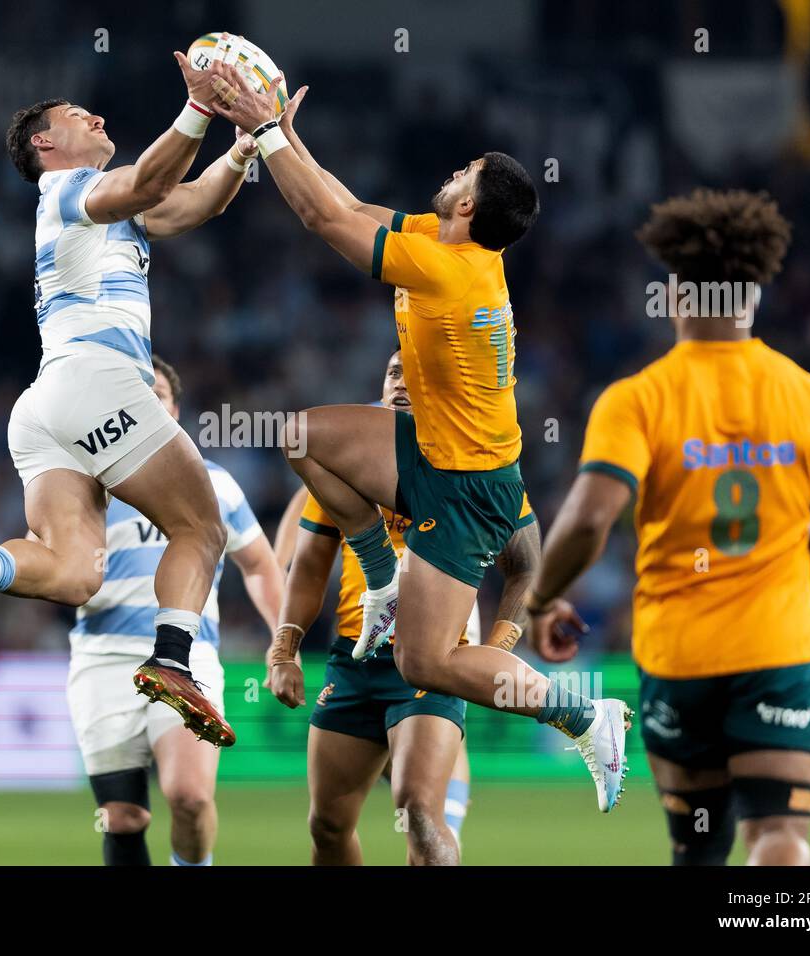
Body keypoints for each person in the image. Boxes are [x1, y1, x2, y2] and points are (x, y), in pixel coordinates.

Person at [205, 69, 630, 809]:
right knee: (298, 436)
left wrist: (266, 135)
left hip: (469, 482)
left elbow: (322, 223)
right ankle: (380, 573)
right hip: (434, 451)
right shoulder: (446, 243)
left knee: (425, 661)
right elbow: (345, 203)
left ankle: (586, 715)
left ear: (468, 204)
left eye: (463, 172)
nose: (451, 171)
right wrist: (286, 131)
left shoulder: (447, 270)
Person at [526, 189, 810, 864]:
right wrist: (792, 543)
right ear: (753, 298)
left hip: (679, 654)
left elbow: (590, 518)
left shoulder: (637, 398)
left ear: (677, 298)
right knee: (778, 834)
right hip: (781, 650)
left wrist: (540, 600)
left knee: (700, 849)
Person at [0, 54, 259, 747]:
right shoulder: (70, 187)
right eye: (78, 115)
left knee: (76, 573)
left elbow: (191, 200)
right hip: (99, 379)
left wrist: (247, 148)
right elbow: (149, 178)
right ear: (45, 143)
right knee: (202, 529)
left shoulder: (112, 212)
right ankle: (171, 661)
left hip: (48, 403)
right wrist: (197, 107)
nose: (97, 118)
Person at [269, 350, 539, 864]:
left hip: (431, 665)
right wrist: (284, 649)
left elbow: (527, 566)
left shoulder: (474, 468)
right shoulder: (342, 462)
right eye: (395, 372)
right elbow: (308, 566)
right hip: (353, 664)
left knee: (417, 809)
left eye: (418, 375)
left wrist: (495, 652)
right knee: (326, 827)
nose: (402, 384)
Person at [64, 356, 283, 866]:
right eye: (136, 395)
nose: (147, 402)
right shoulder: (84, 484)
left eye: (156, 393)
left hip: (189, 659)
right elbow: (47, 557)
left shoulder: (216, 484)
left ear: (174, 409)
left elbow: (259, 565)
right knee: (123, 818)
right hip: (103, 659)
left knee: (190, 796)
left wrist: (282, 640)